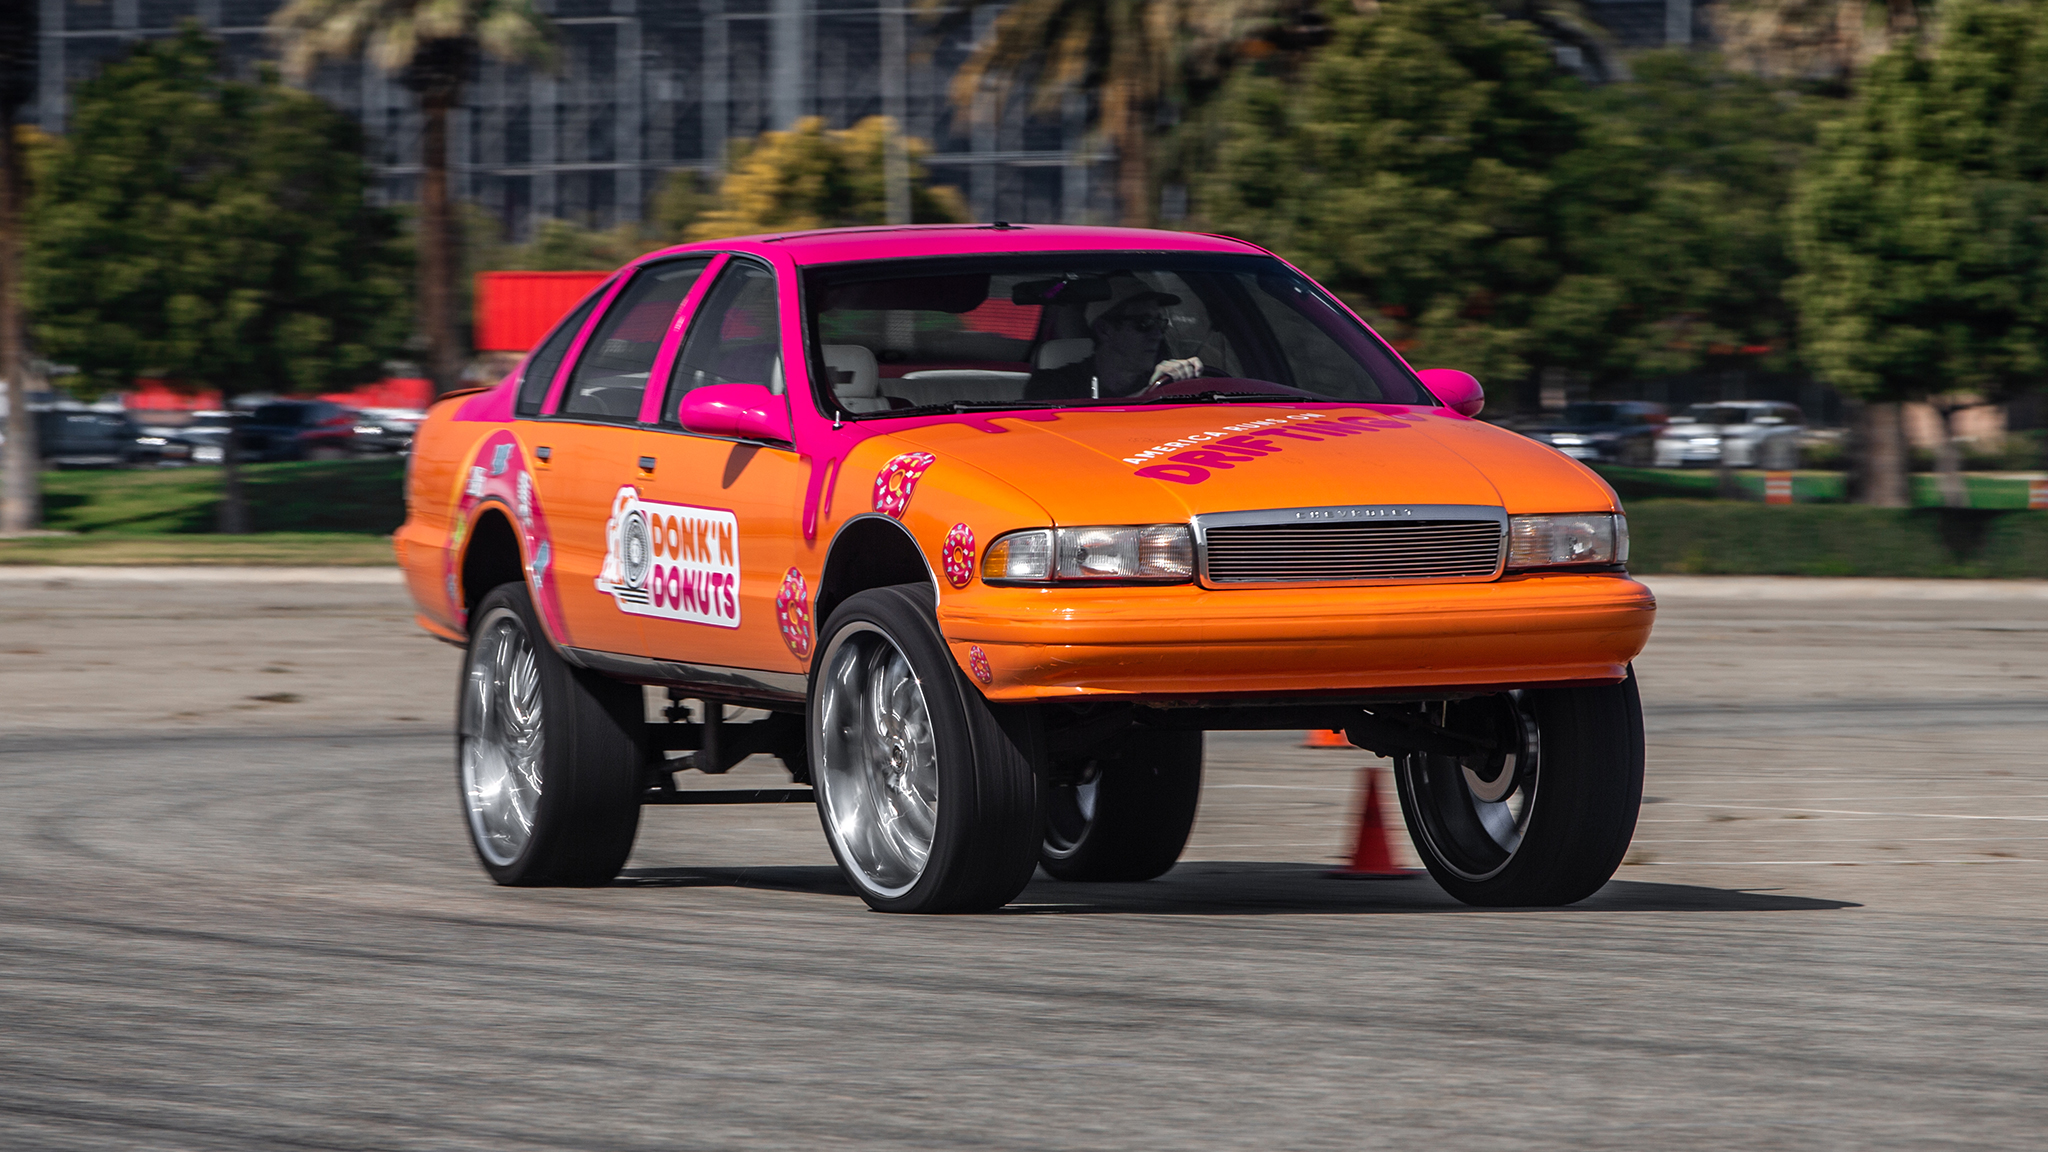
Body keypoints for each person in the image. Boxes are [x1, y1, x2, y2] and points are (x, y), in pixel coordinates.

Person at [1024, 275, 1204, 400]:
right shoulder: (1053, 385)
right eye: (1145, 323)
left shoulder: (1168, 380)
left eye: (1160, 323)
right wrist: (1148, 395)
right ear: (1105, 330)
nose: (1157, 334)